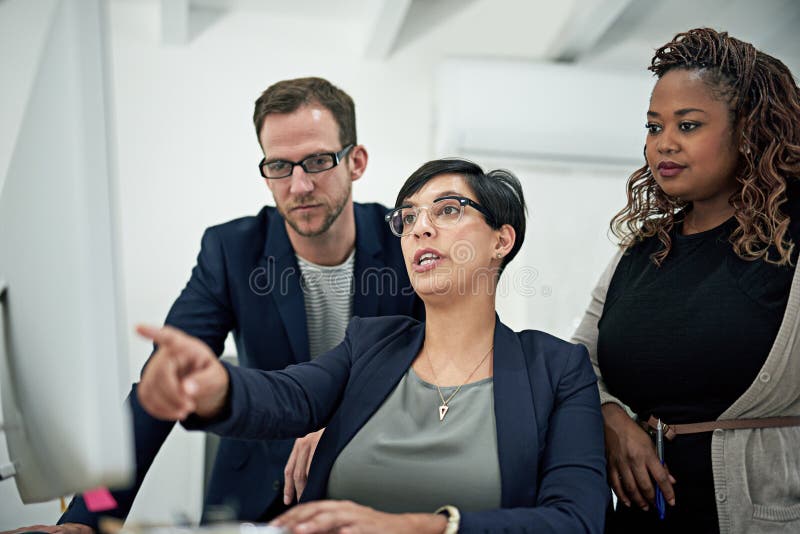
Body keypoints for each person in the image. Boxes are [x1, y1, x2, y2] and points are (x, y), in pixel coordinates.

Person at [134, 158, 609, 533]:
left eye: (447, 210)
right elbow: (289, 395)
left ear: (501, 240)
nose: (420, 228)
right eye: (409, 218)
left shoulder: (557, 368)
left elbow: (575, 520)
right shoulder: (372, 342)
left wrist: (421, 527)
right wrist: (215, 387)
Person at [55, 77, 423, 529]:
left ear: (356, 162)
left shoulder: (407, 247)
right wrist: (86, 517)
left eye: (318, 161)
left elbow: (445, 375)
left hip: (375, 491)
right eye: (280, 167)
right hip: (254, 494)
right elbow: (159, 392)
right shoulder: (231, 251)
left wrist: (346, 427)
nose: (300, 184)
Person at [571, 28, 800, 533]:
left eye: (689, 125)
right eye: (654, 127)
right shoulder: (640, 249)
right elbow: (578, 359)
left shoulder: (792, 242)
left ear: (749, 131)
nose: (664, 143)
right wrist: (608, 415)